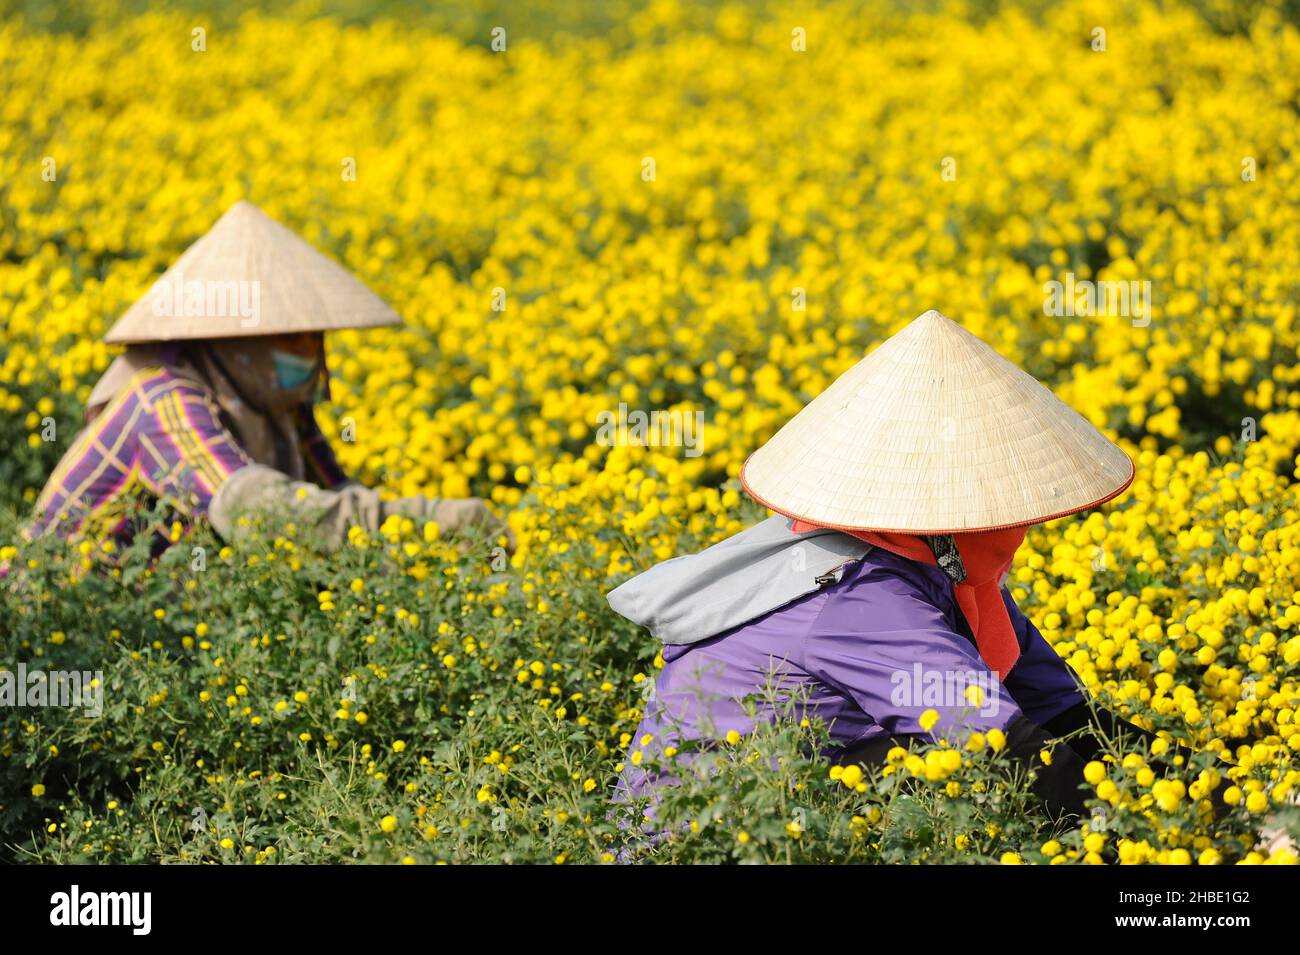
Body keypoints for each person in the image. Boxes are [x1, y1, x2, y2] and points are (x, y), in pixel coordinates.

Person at [607, 309, 1220, 829]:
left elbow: (1066, 718)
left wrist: (1212, 787)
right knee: (944, 781)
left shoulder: (942, 574)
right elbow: (1007, 756)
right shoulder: (861, 596)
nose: (1016, 528)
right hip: (710, 838)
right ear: (945, 517)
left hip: (797, 808)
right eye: (997, 509)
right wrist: (1189, 832)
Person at [26, 201, 505, 553]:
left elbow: (336, 497)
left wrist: (428, 534)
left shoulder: (279, 407)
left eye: (315, 336)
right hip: (59, 634)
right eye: (291, 336)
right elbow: (255, 512)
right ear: (235, 340)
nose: (310, 352)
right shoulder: (163, 400)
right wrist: (426, 518)